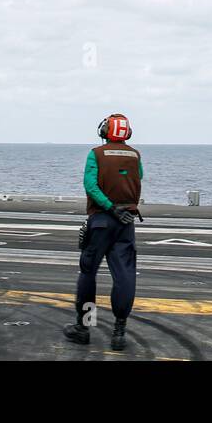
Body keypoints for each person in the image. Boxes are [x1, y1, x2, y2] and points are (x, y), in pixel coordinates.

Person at [62, 112, 143, 351]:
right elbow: (138, 179)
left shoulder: (96, 154)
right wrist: (122, 209)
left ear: (105, 131)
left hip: (101, 223)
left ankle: (83, 328)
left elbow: (90, 185)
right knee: (125, 276)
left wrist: (109, 207)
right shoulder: (135, 155)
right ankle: (119, 333)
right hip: (126, 223)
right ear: (126, 133)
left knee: (88, 273)